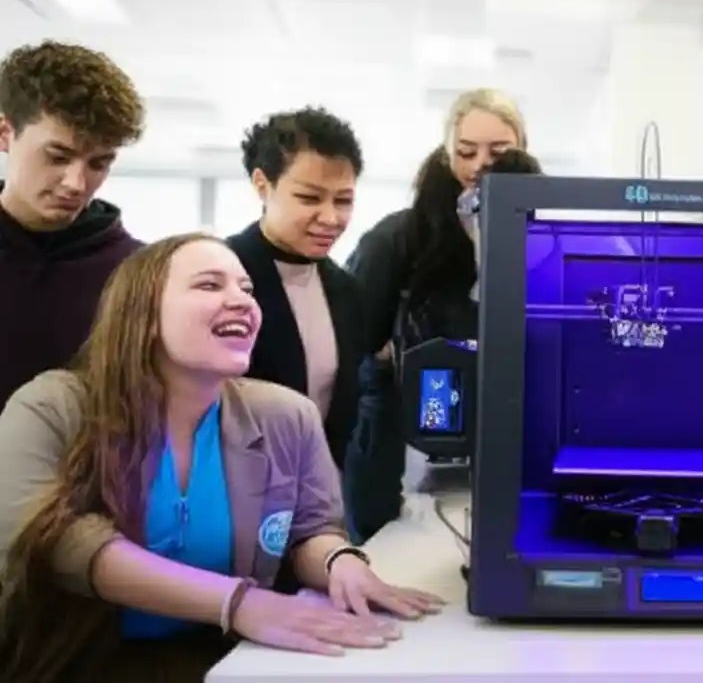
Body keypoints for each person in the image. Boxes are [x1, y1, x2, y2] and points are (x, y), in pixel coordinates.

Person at [0, 233, 443, 683]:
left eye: (247, 290)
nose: (242, 302)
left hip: (223, 662)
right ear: (144, 314)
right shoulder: (50, 407)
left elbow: (311, 530)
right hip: (75, 665)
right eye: (210, 286)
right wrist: (238, 603)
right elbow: (57, 542)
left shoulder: (288, 416)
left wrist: (340, 563)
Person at [342, 88, 538, 542]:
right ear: (447, 152)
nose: (479, 165)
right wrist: (389, 357)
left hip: (508, 426)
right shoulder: (399, 237)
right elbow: (352, 337)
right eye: (465, 152)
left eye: (498, 151)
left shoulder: (541, 236)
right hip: (407, 430)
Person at [0, 40, 145, 409]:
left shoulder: (138, 273)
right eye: (58, 156)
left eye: (98, 164)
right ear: (5, 134)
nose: (76, 184)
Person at [225, 107, 366, 469]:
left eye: (343, 200)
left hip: (315, 492)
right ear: (262, 185)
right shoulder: (221, 274)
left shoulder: (345, 290)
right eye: (309, 198)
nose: (331, 218)